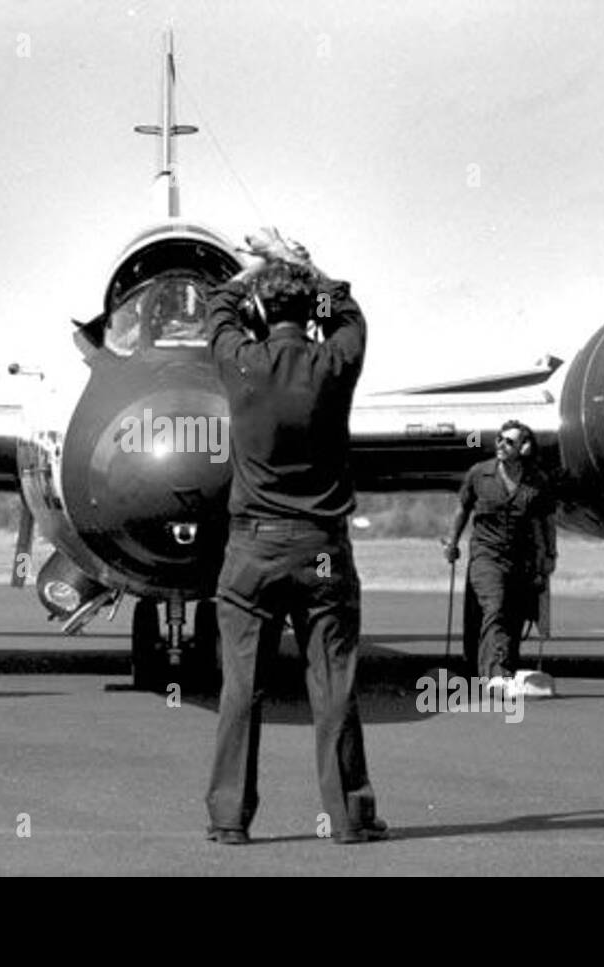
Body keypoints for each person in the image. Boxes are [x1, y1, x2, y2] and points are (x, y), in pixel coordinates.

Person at [204, 228, 387, 846]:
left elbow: (219, 307)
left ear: (258, 313)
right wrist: (304, 264)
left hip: (252, 549)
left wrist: (256, 269)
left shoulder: (240, 362)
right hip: (322, 550)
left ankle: (230, 819)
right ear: (311, 316)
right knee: (332, 685)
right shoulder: (335, 362)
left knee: (240, 689)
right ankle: (350, 819)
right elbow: (349, 311)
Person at [444, 421, 556, 693]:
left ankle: (486, 668)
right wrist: (452, 541)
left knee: (514, 615)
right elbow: (462, 509)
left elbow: (546, 522)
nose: (501, 445)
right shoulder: (479, 474)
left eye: (509, 442)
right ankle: (497, 674)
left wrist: (549, 556)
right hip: (486, 555)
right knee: (496, 605)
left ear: (524, 448)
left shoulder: (537, 480)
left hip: (522, 558)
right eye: (499, 439)